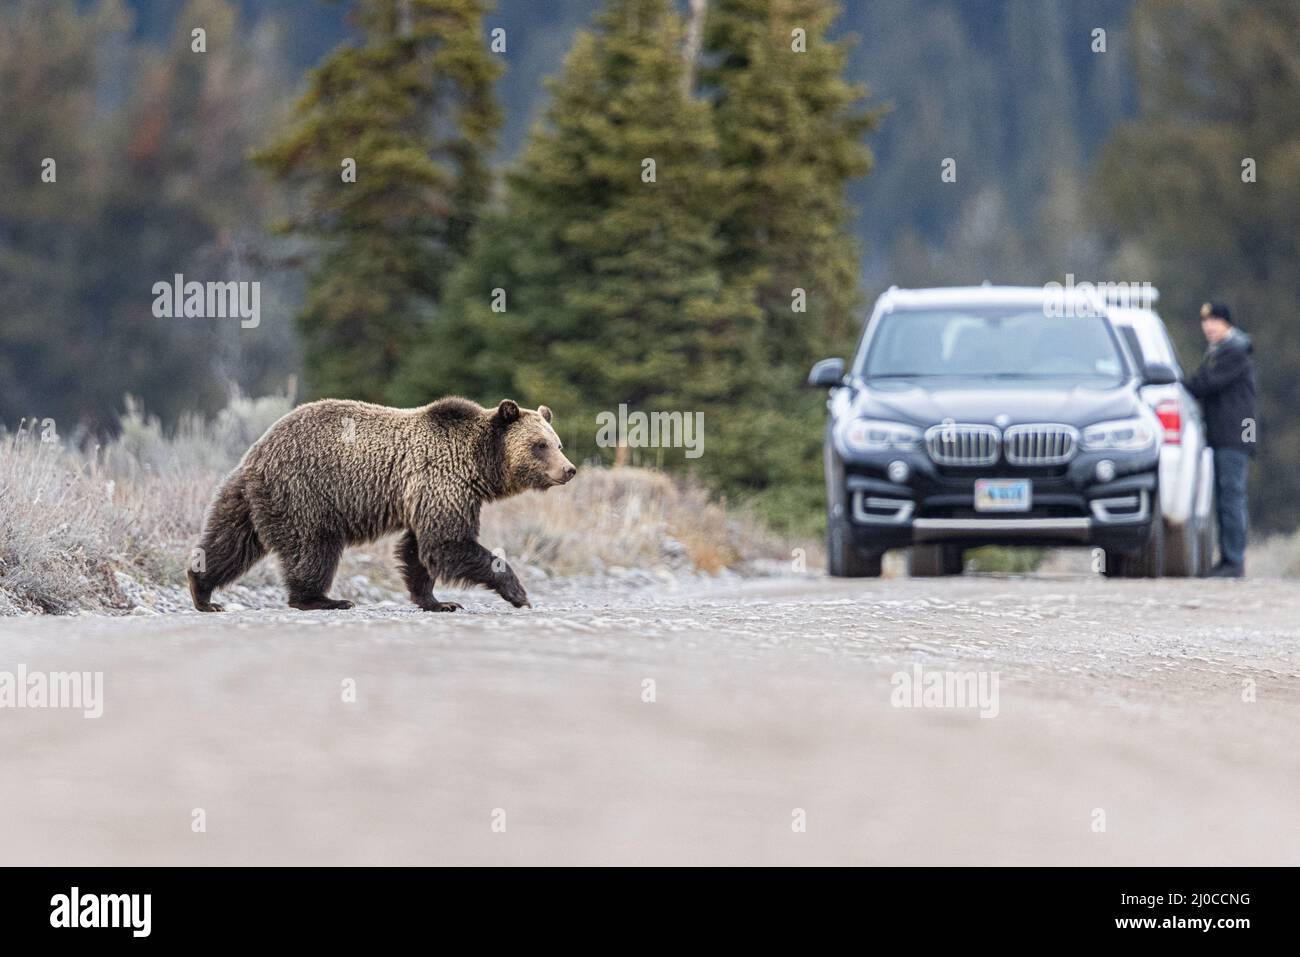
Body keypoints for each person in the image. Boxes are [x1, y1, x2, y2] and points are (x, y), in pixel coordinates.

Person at [1187, 302, 1256, 577]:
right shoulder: (1221, 350)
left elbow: (1206, 384)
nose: (1208, 326)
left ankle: (1234, 561)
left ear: (1228, 323)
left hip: (1235, 435)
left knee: (1232, 498)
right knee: (1226, 498)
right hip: (1226, 435)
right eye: (1205, 321)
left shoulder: (1235, 351)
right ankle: (1228, 559)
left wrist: (1178, 384)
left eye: (1215, 320)